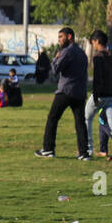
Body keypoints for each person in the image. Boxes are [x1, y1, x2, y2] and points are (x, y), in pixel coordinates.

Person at [35, 27, 89, 159]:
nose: (59, 40)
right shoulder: (82, 53)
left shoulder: (66, 51)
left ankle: (48, 149)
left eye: (61, 37)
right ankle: (83, 153)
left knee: (52, 118)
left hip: (65, 91)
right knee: (80, 122)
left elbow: (55, 70)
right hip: (80, 92)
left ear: (69, 36)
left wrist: (55, 58)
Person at [84, 30, 112, 160]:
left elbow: (98, 78)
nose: (93, 46)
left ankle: (89, 148)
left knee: (87, 118)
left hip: (101, 94)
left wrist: (96, 96)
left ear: (97, 41)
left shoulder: (98, 56)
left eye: (93, 42)